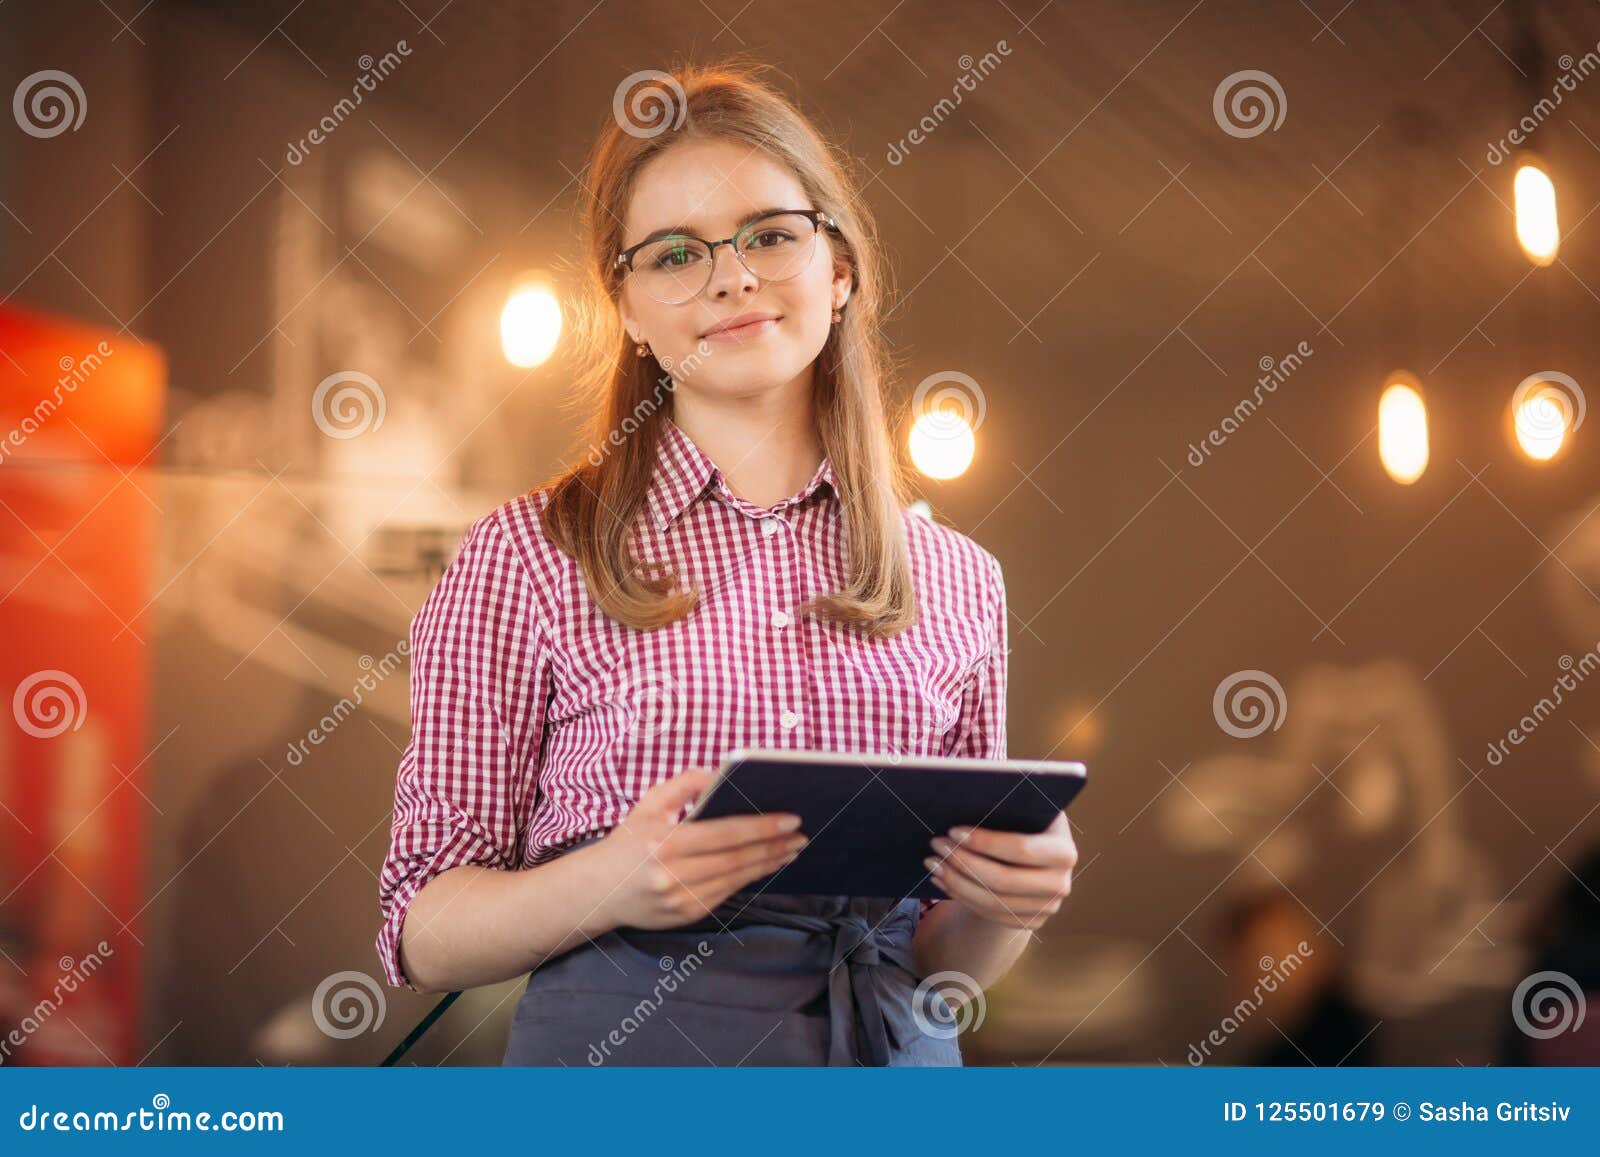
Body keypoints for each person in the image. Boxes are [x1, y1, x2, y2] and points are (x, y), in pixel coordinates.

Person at [374, 60, 1078, 1067]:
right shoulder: (525, 556)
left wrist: (1006, 906)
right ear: (625, 306)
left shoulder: (961, 578)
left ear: (838, 269)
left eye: (771, 234)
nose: (732, 277)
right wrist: (613, 880)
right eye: (674, 254)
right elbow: (421, 927)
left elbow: (941, 963)